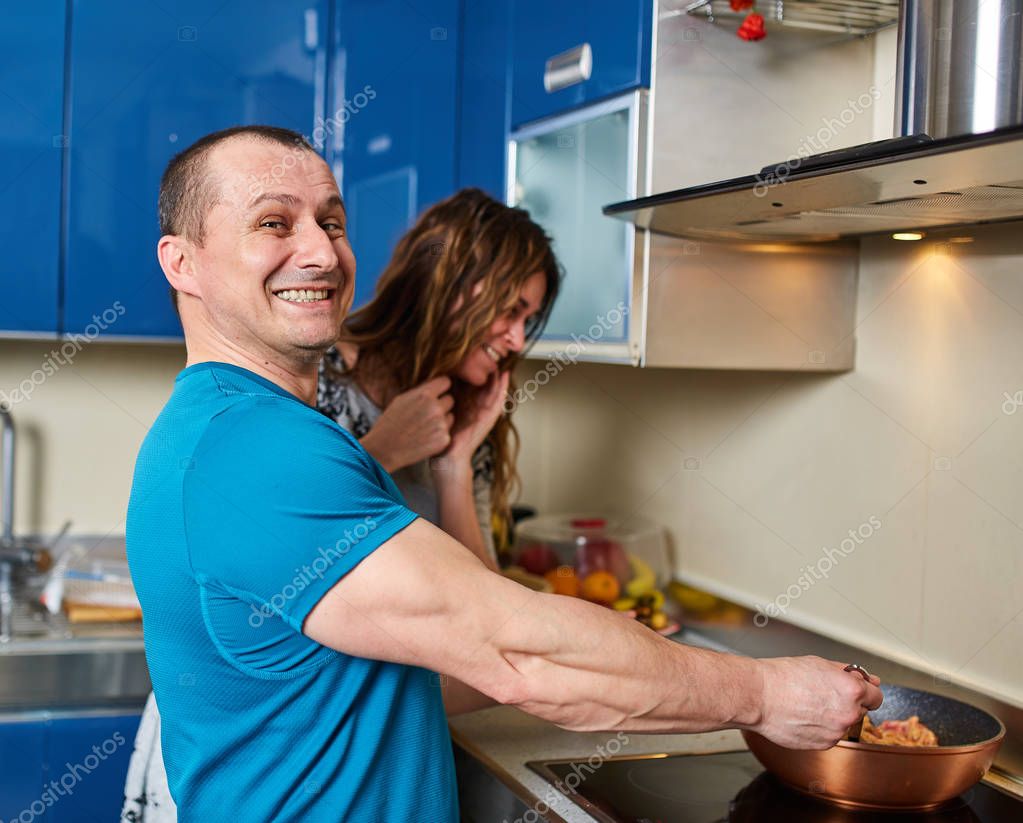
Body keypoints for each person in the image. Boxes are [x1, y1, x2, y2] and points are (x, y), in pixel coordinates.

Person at [125, 125, 882, 822]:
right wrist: (765, 692)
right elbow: (514, 650)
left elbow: (430, 659)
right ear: (181, 262)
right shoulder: (260, 450)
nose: (321, 252)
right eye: (273, 222)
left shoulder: (222, 426)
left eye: (331, 220)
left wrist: (610, 652)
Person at [122, 187, 559, 820]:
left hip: (368, 729)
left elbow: (481, 611)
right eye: (511, 310)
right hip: (253, 730)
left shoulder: (467, 411)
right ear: (456, 284)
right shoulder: (308, 363)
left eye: (531, 320)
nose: (518, 340)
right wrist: (387, 446)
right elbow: (274, 527)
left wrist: (454, 464)